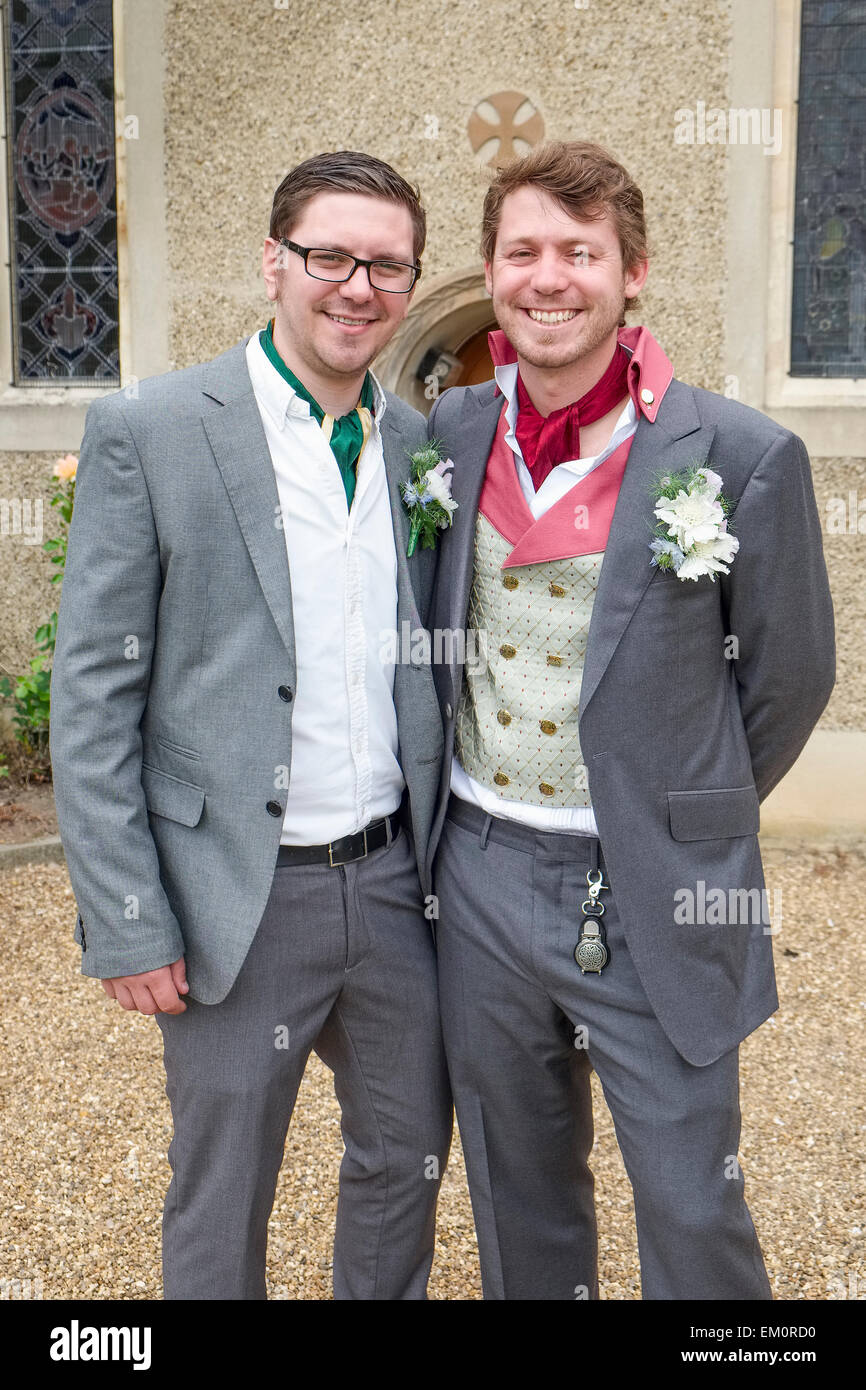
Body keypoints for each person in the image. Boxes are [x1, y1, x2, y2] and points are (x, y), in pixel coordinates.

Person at [425, 140, 835, 1300]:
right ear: (490, 274)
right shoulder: (451, 432)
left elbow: (789, 676)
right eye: (521, 251)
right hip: (477, 870)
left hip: (653, 878)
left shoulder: (740, 454)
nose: (547, 277)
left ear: (631, 273)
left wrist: (679, 807)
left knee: (691, 1201)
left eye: (579, 251)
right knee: (517, 1191)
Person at [50, 150, 452, 1301]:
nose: (357, 287)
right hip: (236, 891)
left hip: (394, 884)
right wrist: (128, 917)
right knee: (221, 1189)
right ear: (273, 261)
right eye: (331, 256)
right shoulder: (155, 428)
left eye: (386, 266)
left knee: (406, 1159)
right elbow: (92, 694)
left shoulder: (414, 444)